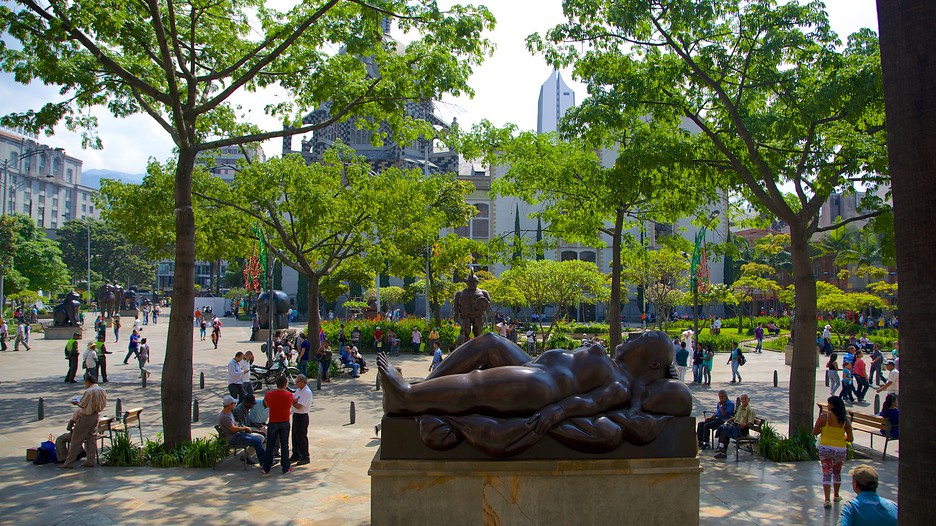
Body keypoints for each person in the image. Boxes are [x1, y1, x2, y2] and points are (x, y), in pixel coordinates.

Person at [378, 331, 688, 437]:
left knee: (477, 384)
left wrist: (559, 411)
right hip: (534, 366)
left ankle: (406, 396)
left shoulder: (621, 384)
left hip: (542, 385)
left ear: (653, 364)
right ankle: (423, 391)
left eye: (644, 339)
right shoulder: (615, 366)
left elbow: (590, 404)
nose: (635, 338)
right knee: (489, 342)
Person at [812, 396, 854, 508]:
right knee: (837, 472)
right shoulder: (845, 420)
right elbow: (850, 438)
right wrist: (842, 437)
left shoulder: (824, 417)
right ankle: (836, 495)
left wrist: (823, 431)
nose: (827, 405)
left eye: (829, 403)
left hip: (826, 448)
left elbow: (814, 432)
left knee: (827, 474)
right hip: (840, 449)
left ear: (833, 405)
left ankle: (827, 500)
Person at [59, 373, 107, 469]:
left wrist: (76, 402)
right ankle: (90, 461)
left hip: (86, 416)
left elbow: (82, 404)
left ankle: (69, 463)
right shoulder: (102, 390)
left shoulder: (89, 391)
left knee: (76, 440)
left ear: (88, 382)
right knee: (91, 439)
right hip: (95, 415)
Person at [218, 395, 266, 467]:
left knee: (259, 439)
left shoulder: (229, 413)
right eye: (234, 403)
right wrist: (245, 428)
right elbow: (233, 429)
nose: (235, 405)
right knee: (257, 441)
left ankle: (263, 460)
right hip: (234, 438)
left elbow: (235, 424)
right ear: (230, 404)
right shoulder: (225, 417)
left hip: (239, 435)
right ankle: (264, 462)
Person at [262, 375, 294, 475]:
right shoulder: (289, 395)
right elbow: (290, 406)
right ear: (285, 384)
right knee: (284, 445)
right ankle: (285, 467)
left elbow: (267, 404)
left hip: (273, 421)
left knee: (270, 445)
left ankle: (266, 467)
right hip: (284, 421)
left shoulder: (269, 394)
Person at [713, 394, 756, 458]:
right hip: (736, 427)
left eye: (745, 399)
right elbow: (736, 417)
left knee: (724, 429)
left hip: (742, 430)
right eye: (742, 399)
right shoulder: (740, 407)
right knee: (723, 428)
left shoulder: (750, 410)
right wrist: (730, 419)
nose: (743, 400)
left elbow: (750, 423)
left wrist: (745, 424)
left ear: (748, 400)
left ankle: (722, 449)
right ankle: (722, 449)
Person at [289, 375, 313, 466]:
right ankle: (296, 454)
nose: (296, 383)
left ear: (303, 382)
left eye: (297, 381)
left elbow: (299, 406)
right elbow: (293, 400)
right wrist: (295, 401)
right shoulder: (298, 390)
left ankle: (305, 456)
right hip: (296, 415)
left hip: (302, 416)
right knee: (295, 436)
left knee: (302, 437)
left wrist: (295, 402)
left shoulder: (307, 392)